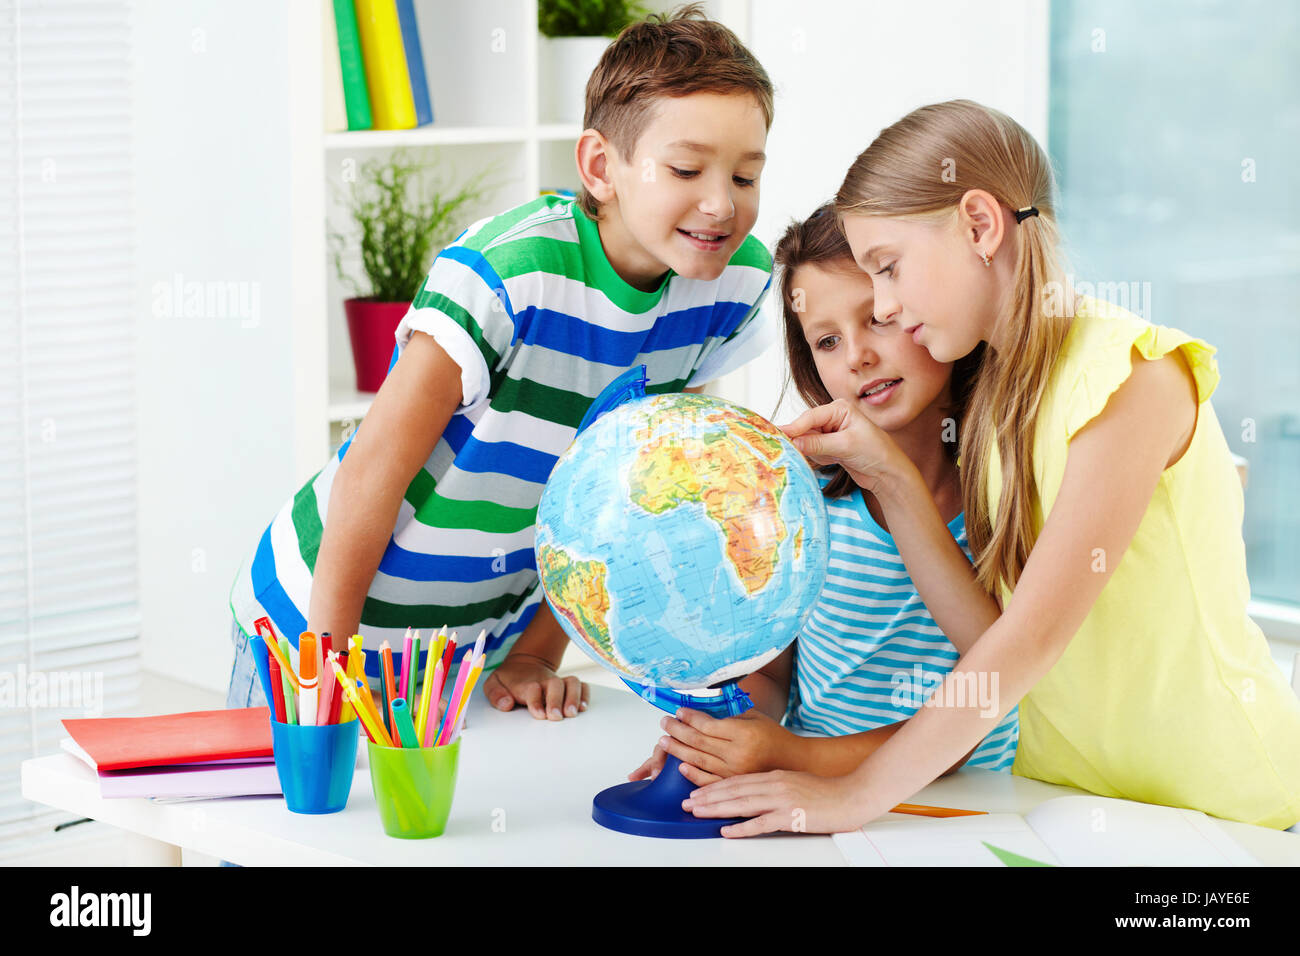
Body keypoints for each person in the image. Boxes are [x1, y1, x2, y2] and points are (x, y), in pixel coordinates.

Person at [684, 99, 1300, 835]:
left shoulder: (1133, 377)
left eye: (888, 269)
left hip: (1217, 806)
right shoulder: (1005, 404)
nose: (883, 302)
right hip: (1064, 795)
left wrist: (852, 795)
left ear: (980, 226)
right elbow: (989, 633)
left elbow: (1029, 638)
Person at [225, 5, 777, 723]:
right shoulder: (508, 275)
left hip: (455, 655)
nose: (720, 203)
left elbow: (631, 499)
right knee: (291, 828)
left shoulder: (730, 286)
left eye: (746, 176)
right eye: (686, 168)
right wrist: (324, 668)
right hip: (311, 626)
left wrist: (535, 654)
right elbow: (373, 472)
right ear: (600, 167)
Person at [630, 203, 1018, 785]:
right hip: (813, 802)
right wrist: (726, 740)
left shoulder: (1002, 491)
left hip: (967, 806)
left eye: (879, 320)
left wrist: (794, 756)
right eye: (827, 340)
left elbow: (995, 688)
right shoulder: (802, 498)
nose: (857, 356)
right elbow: (772, 674)